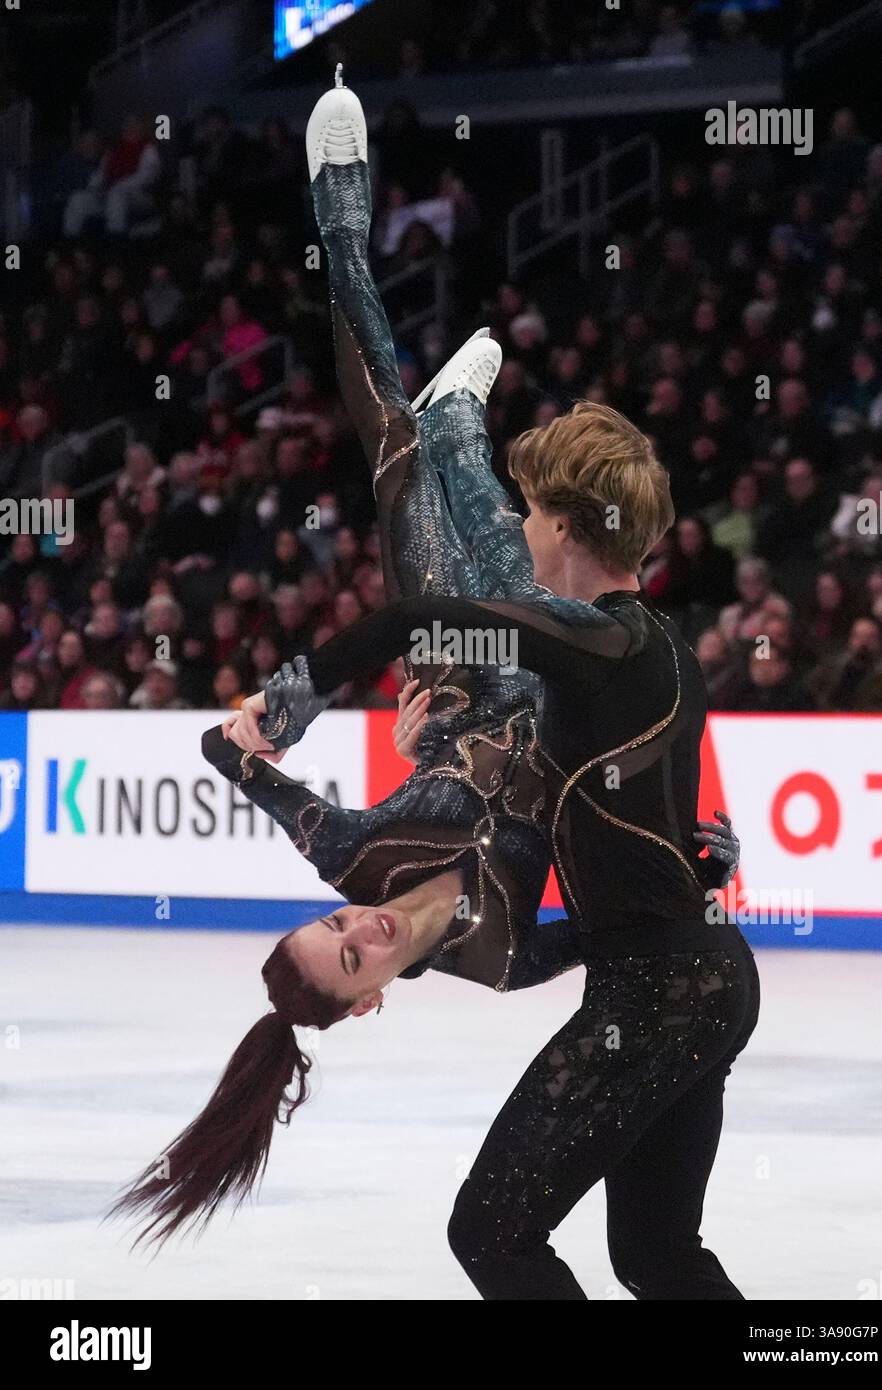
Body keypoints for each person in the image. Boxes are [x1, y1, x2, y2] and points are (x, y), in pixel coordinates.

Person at [110, 76, 747, 1296]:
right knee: (443, 467)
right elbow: (624, 907)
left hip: (453, 673)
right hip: (539, 682)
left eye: (326, 928)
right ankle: (465, 433)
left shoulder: (351, 854)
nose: (353, 925)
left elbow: (227, 763)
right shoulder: (500, 959)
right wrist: (700, 853)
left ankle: (340, 213)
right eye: (350, 957)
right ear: (371, 1007)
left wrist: (267, 718)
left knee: (383, 444)